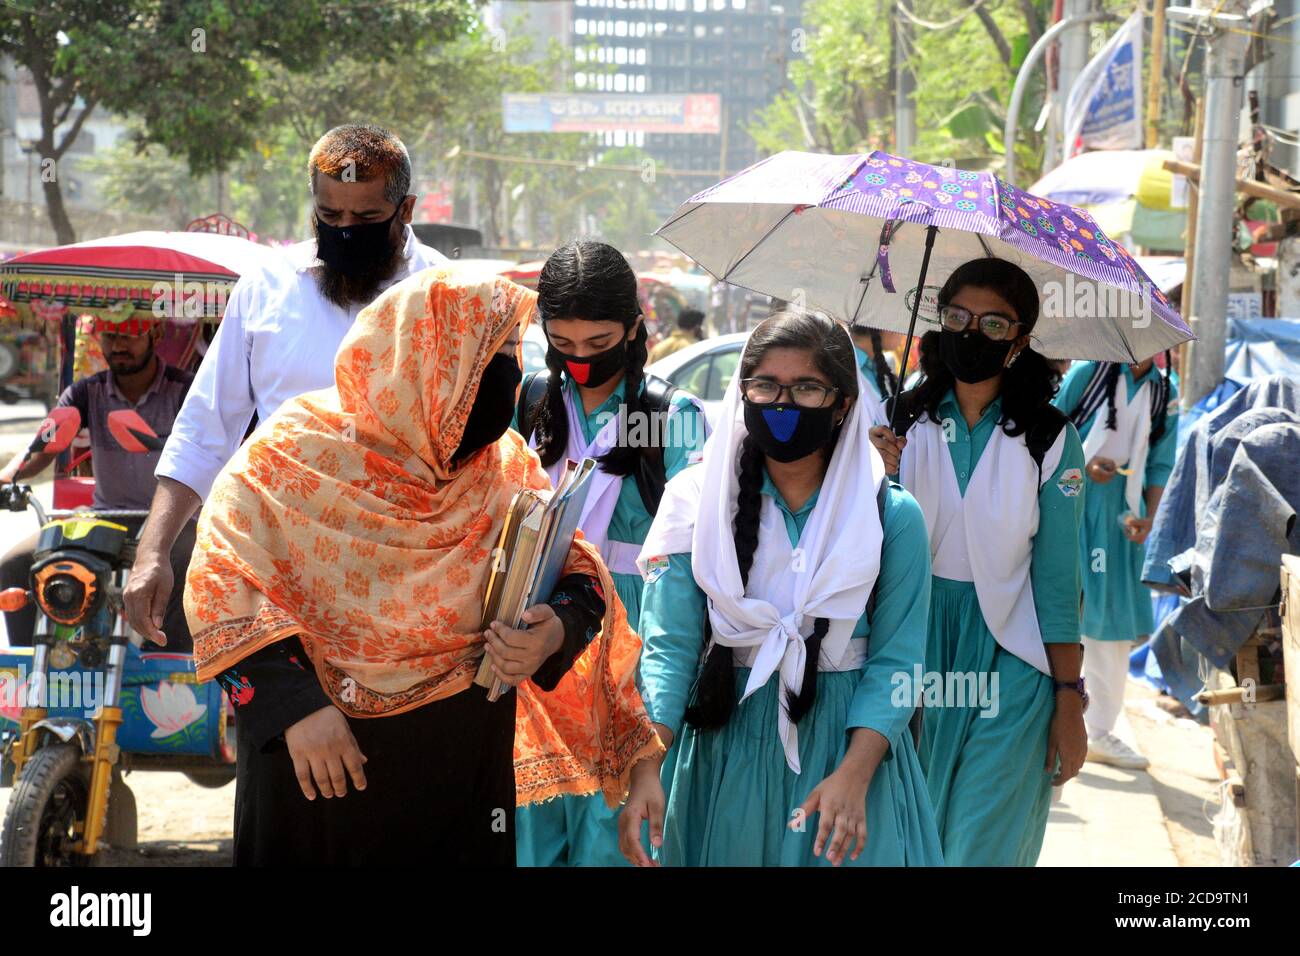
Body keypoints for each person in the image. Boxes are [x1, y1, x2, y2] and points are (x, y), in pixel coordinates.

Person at [184, 268, 662, 866]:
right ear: (428, 360)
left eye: (514, 353)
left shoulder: (500, 465)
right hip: (320, 764)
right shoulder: (288, 456)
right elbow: (219, 584)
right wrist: (295, 710)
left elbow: (577, 570)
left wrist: (555, 629)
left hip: (461, 771)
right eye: (492, 356)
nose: (509, 378)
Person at [620, 310, 943, 867]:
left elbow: (898, 663)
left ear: (843, 403)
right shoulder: (695, 502)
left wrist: (854, 774)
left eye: (807, 388)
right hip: (724, 742)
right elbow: (667, 648)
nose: (782, 404)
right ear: (741, 392)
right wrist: (647, 765)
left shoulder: (890, 515)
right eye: (765, 386)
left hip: (845, 752)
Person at [125, 123, 447, 648]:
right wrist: (153, 550)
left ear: (406, 210)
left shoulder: (444, 293)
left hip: (406, 579)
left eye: (365, 218)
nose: (345, 229)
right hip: (277, 572)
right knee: (280, 727)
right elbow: (207, 428)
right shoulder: (266, 288)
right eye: (330, 216)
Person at [869, 257, 1088, 867]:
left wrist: (1069, 697)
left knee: (981, 839)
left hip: (1014, 660)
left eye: (994, 324)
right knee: (907, 833)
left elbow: (1058, 580)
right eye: (958, 317)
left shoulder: (1047, 438)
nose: (972, 333)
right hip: (908, 648)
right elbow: (860, 547)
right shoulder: (897, 423)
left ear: (1019, 341)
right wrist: (871, 477)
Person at [512, 240, 708, 866]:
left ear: (633, 328)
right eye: (563, 345)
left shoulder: (672, 416)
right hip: (537, 648)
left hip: (629, 648)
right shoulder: (531, 399)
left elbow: (684, 563)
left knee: (615, 836)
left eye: (599, 345)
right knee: (533, 838)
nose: (581, 362)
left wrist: (659, 696)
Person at [0, 316, 195, 649]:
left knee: (184, 562)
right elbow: (42, 445)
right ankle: (32, 668)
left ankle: (168, 672)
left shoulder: (186, 391)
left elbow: (209, 452)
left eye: (131, 334)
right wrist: (8, 476)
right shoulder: (85, 393)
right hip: (107, 520)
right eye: (110, 335)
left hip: (173, 521)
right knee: (16, 564)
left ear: (156, 334)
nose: (119, 345)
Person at [1054, 354, 1178, 770]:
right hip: (1073, 503)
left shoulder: (1164, 392)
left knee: (1113, 621)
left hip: (1122, 514)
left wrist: (1150, 518)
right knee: (1064, 612)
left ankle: (1100, 727)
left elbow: (1160, 462)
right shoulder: (1087, 374)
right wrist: (1084, 465)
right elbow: (1051, 430)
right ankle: (1059, 716)